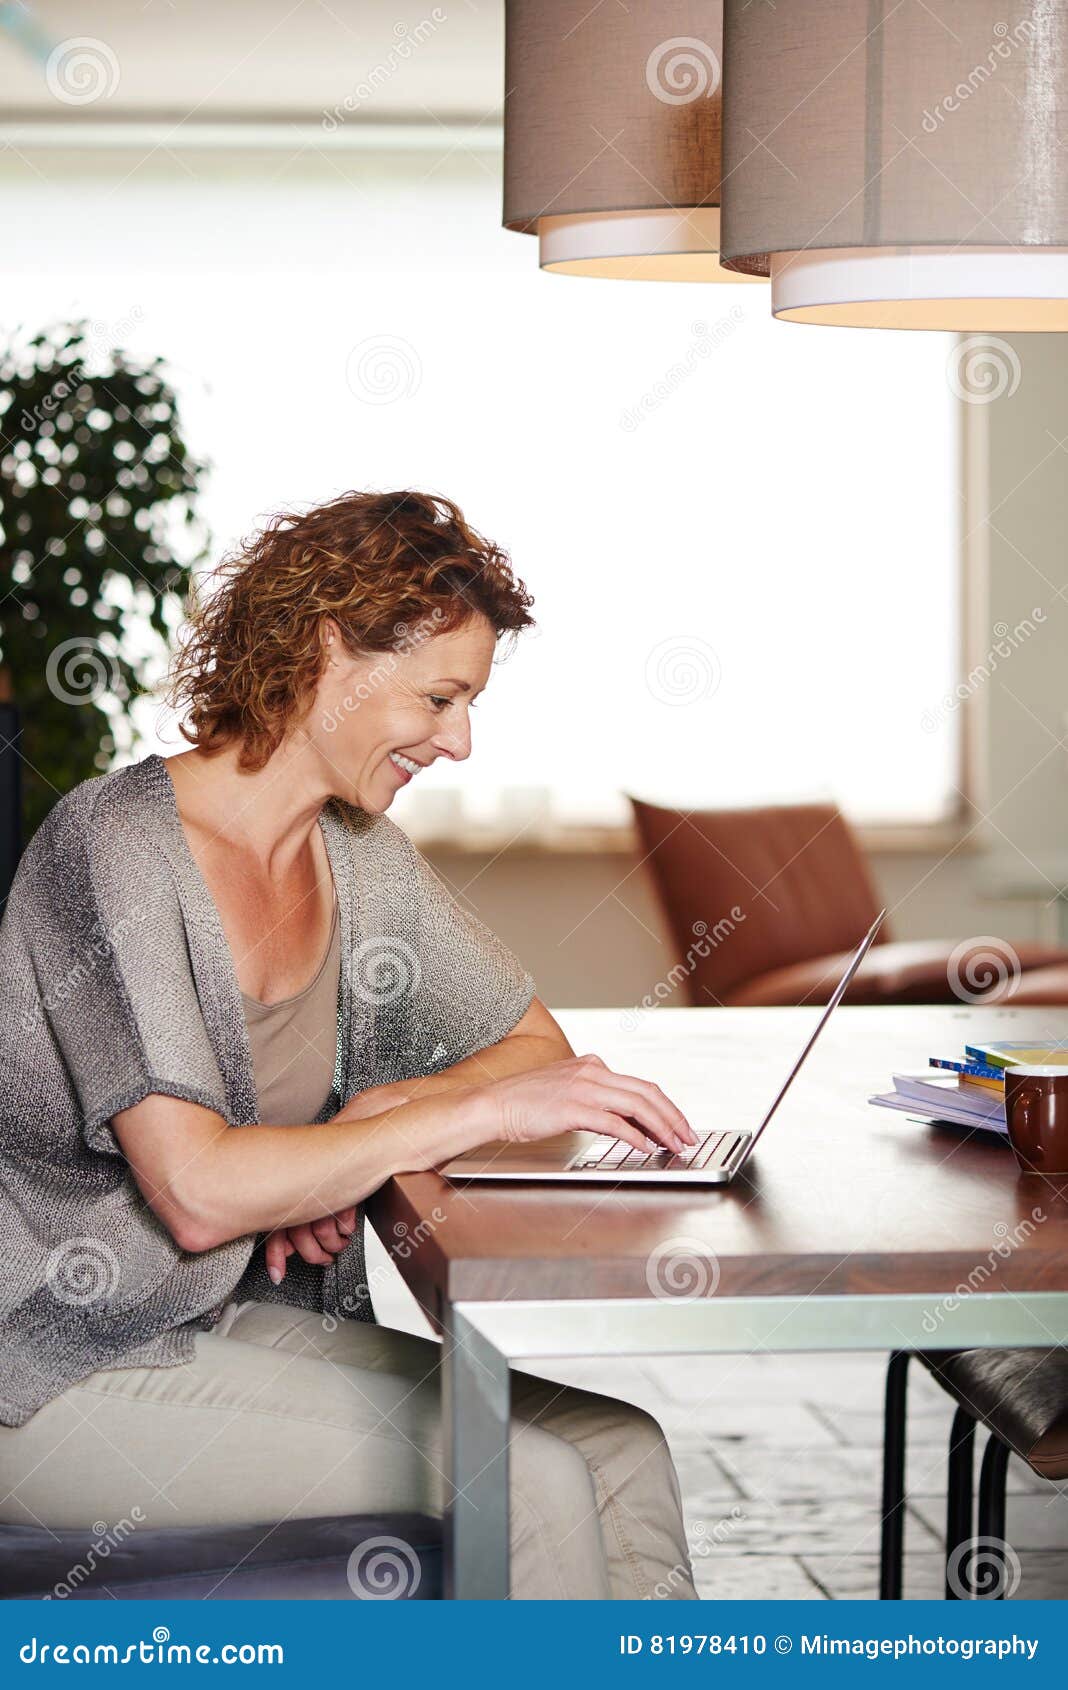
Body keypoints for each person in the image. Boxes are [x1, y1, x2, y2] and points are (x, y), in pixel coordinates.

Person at [0, 489, 698, 1600]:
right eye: (439, 695)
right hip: (57, 1366)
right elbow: (198, 1193)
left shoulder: (357, 852)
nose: (460, 740)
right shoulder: (116, 846)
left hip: (223, 1328)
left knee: (622, 1452)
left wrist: (367, 1121)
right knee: (530, 1482)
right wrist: (448, 1116)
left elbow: (535, 1047)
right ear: (328, 648)